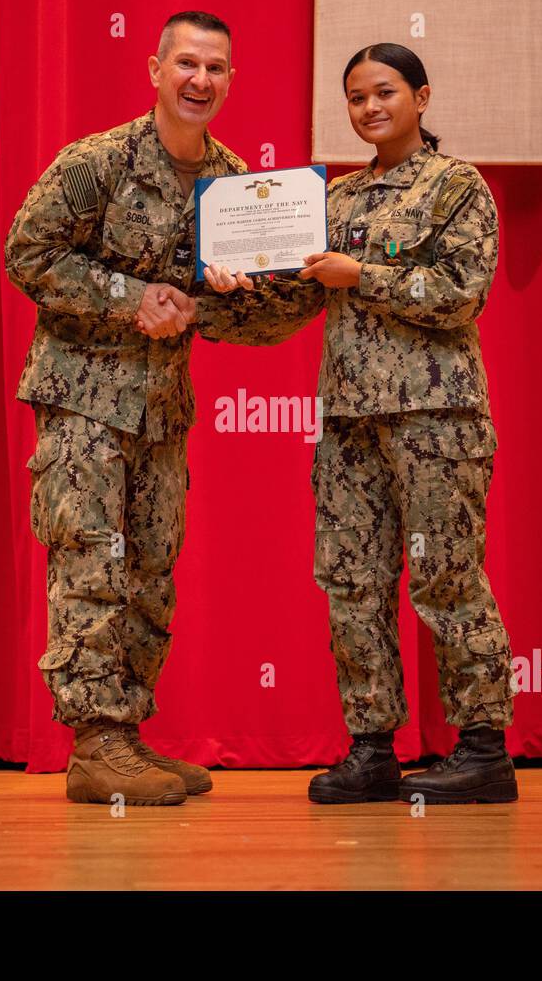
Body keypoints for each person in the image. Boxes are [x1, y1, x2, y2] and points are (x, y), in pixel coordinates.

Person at [199, 43, 517, 804]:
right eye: (355, 98)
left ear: (422, 96)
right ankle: (372, 747)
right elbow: (295, 300)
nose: (370, 108)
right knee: (352, 583)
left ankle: (482, 749)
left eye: (384, 92)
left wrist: (362, 274)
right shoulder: (331, 201)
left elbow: (460, 292)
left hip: (435, 417)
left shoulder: (456, 187)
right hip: (348, 421)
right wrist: (220, 296)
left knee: (446, 577)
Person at [5, 11, 268, 806]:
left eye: (216, 68)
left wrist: (230, 296)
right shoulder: (97, 163)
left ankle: (124, 732)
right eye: (186, 63)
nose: (200, 80)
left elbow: (252, 314)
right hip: (84, 400)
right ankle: (94, 745)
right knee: (93, 564)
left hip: (161, 409)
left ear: (230, 81)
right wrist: (129, 297)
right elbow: (28, 251)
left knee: (151, 574)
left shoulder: (236, 183)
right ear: (154, 69)